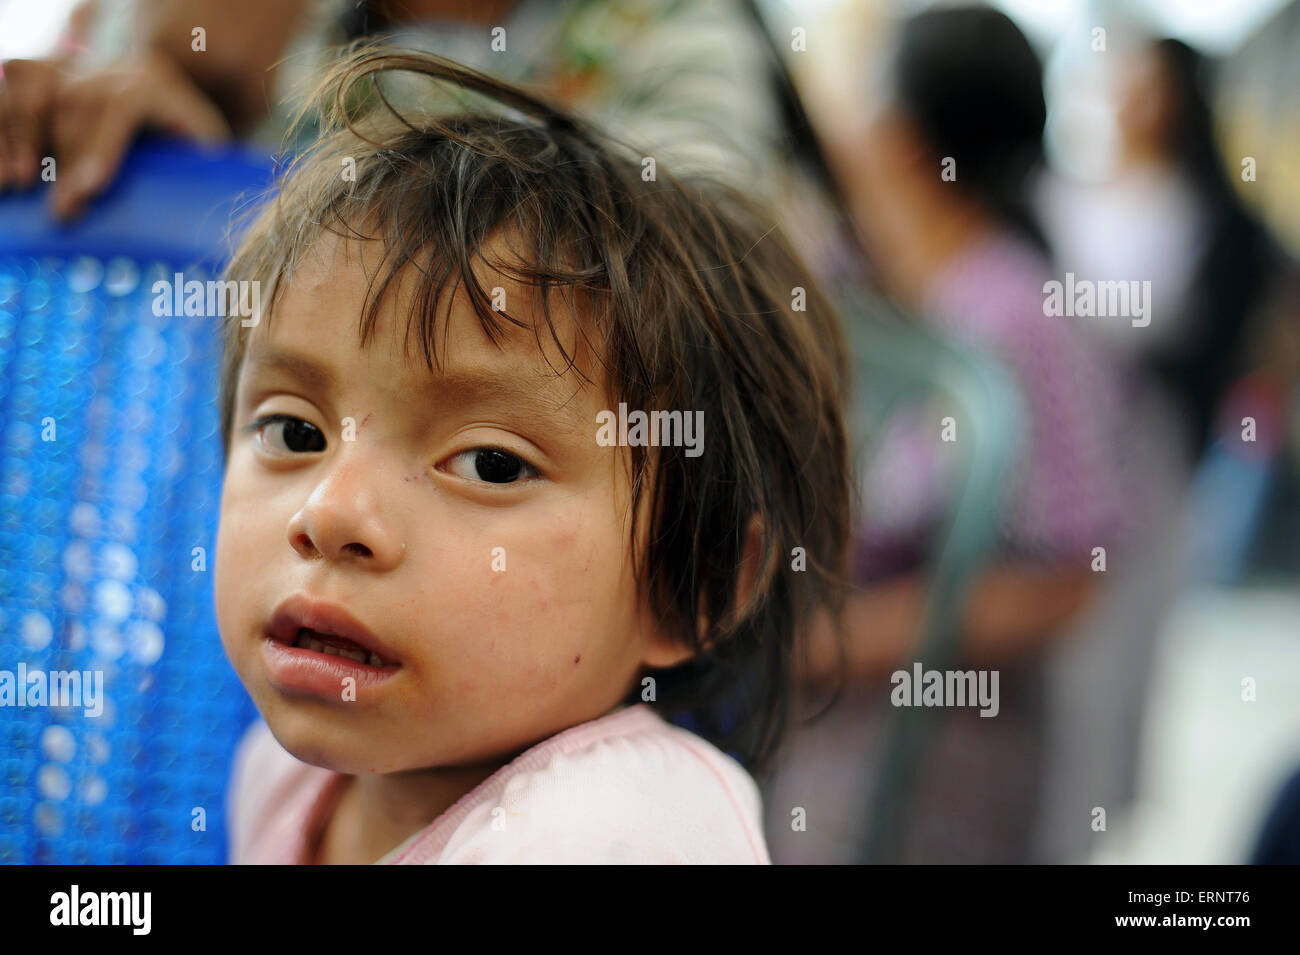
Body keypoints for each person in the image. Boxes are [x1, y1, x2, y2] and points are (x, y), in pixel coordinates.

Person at [215, 47, 851, 863]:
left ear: (698, 579)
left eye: (491, 463)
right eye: (294, 432)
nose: (330, 513)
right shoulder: (281, 772)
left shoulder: (617, 831)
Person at [765, 6, 1138, 863]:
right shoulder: (866, 279)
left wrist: (835, 646)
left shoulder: (1019, 315)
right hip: (821, 736)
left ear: (899, 137)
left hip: (927, 762)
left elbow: (1066, 580)